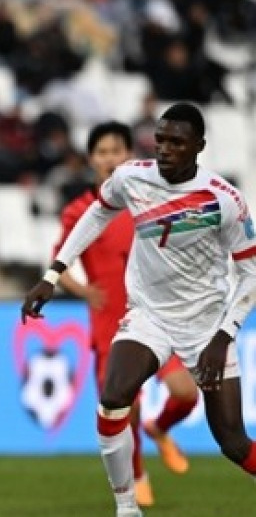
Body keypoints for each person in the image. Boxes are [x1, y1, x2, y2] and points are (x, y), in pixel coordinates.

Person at [24, 103, 256, 517]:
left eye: (177, 142)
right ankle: (127, 507)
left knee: (234, 443)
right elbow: (98, 212)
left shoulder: (224, 201)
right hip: (148, 316)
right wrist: (55, 273)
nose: (165, 149)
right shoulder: (132, 177)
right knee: (113, 399)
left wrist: (224, 337)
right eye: (161, 139)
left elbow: (250, 272)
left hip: (206, 325)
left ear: (199, 146)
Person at [53, 122, 200, 508]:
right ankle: (137, 475)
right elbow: (59, 261)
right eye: (101, 152)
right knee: (125, 406)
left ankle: (160, 428)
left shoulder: (148, 200)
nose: (109, 158)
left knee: (186, 393)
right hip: (110, 324)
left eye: (116, 150)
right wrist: (84, 291)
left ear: (129, 157)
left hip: (157, 316)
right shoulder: (78, 211)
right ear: (91, 160)